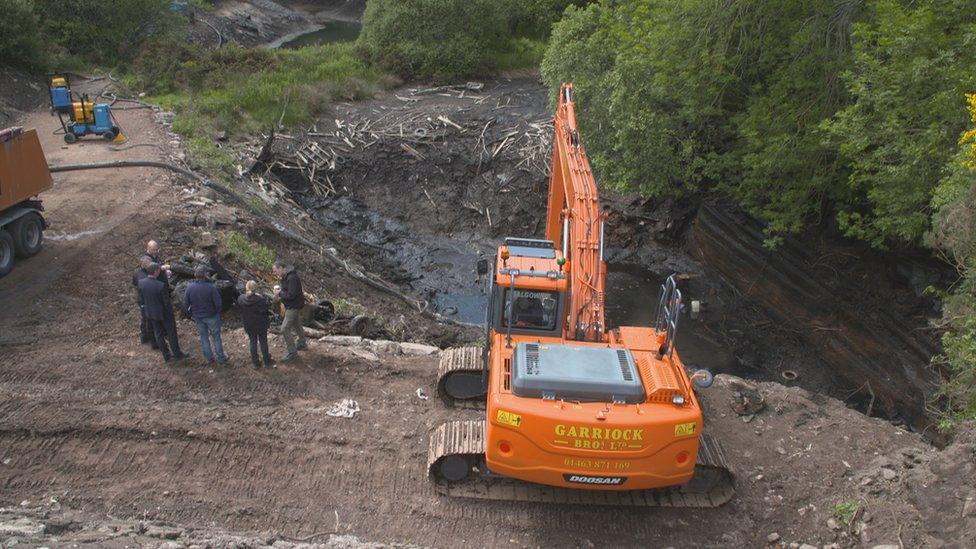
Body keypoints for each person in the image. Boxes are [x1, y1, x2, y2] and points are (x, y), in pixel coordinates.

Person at [138, 263, 185, 364]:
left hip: (151, 313)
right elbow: (166, 302)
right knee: (171, 333)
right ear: (156, 272)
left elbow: (141, 299)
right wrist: (171, 313)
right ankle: (177, 353)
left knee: (158, 334)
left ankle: (166, 355)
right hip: (164, 314)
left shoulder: (141, 283)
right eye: (159, 270)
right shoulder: (160, 285)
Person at [184, 266, 228, 366]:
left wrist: (190, 313)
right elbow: (218, 303)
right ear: (205, 275)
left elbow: (186, 303)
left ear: (195, 275)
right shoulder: (211, 287)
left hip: (198, 316)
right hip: (211, 315)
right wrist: (217, 312)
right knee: (216, 337)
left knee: (204, 337)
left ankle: (209, 358)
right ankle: (221, 358)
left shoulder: (190, 287)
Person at [272, 259, 306, 362]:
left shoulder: (292, 278)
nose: (275, 273)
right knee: (297, 324)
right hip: (292, 305)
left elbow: (291, 295)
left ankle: (292, 353)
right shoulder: (285, 276)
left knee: (284, 328)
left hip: (293, 306)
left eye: (275, 271)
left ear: (281, 268)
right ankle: (302, 342)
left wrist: (280, 293)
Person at [237, 280, 274, 369]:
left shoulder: (241, 298)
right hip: (261, 324)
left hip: (249, 325)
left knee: (253, 342)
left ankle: (256, 363)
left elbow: (239, 307)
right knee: (263, 342)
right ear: (256, 289)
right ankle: (267, 361)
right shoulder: (260, 299)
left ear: (246, 288)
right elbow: (265, 309)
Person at [132, 256, 157, 348]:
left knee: (150, 319)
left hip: (151, 299)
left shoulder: (151, 271)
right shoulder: (137, 273)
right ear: (143, 264)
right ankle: (147, 336)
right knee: (146, 319)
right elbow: (135, 285)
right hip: (143, 300)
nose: (150, 264)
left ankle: (150, 336)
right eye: (149, 263)